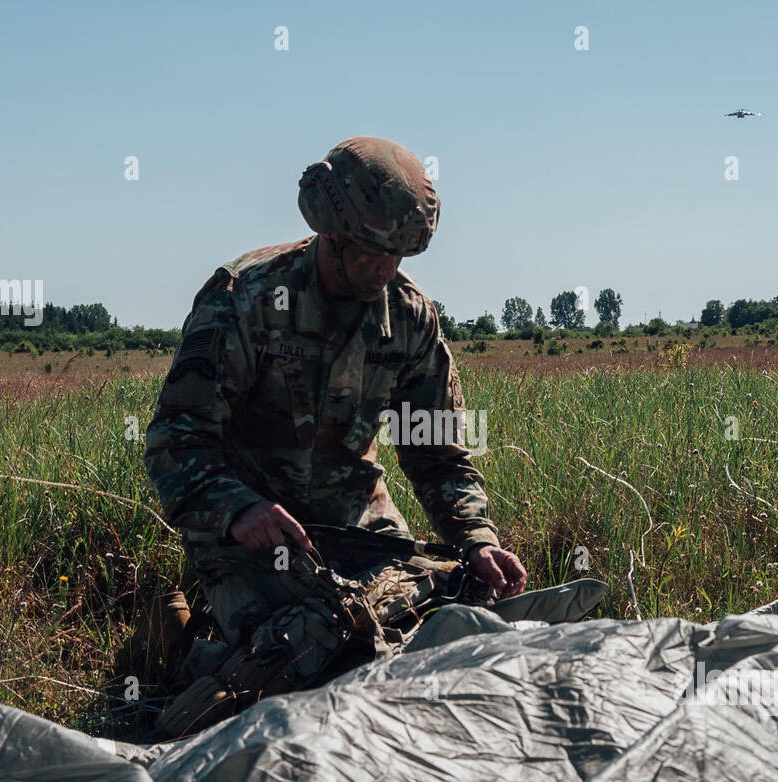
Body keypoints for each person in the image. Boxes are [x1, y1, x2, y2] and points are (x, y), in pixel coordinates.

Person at [144, 136, 526, 734]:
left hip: (356, 522)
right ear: (332, 233)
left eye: (399, 255)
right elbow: (176, 440)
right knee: (298, 655)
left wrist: (477, 539)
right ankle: (181, 643)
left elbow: (438, 455)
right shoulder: (245, 301)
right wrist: (239, 508)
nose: (386, 269)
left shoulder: (410, 320)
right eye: (375, 251)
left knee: (425, 628)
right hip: (247, 528)